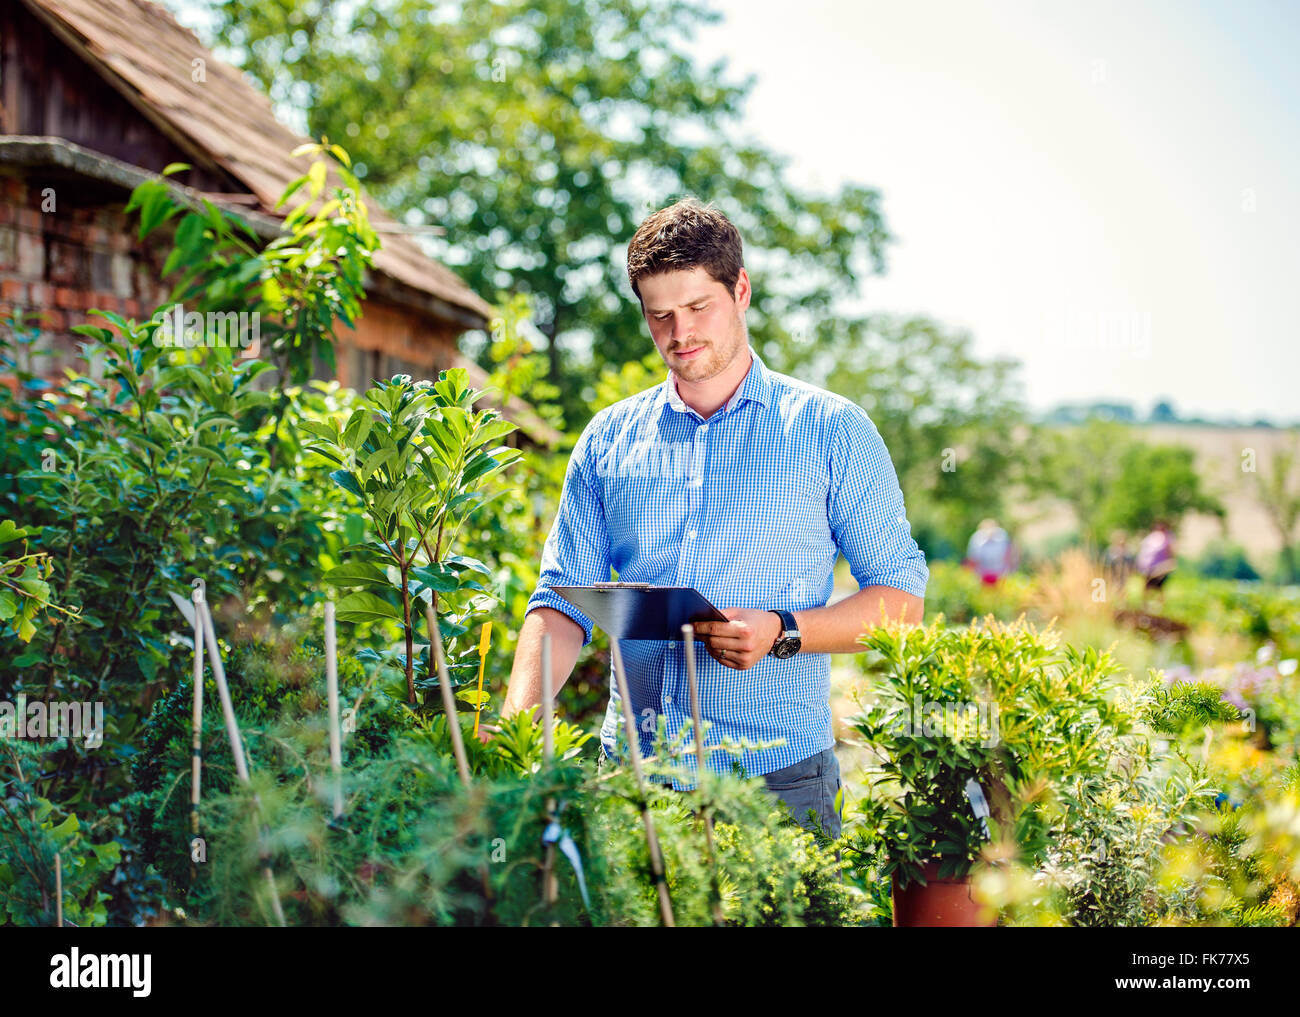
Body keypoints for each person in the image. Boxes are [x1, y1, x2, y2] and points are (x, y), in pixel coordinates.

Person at [497, 197, 928, 840]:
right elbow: (560, 605)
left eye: (698, 308)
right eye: (660, 315)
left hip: (778, 787)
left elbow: (901, 605)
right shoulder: (607, 439)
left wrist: (783, 630)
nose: (680, 334)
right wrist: (512, 740)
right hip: (635, 783)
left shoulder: (833, 430)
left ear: (741, 290)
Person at [964, 518, 1016, 586]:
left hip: (999, 572)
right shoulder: (976, 539)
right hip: (982, 573)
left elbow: (1008, 555)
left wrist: (1008, 571)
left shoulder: (1002, 537)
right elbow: (973, 559)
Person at [1135, 520, 1176, 602]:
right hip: (1150, 568)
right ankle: (1147, 605)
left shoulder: (1166, 538)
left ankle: (1155, 605)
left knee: (1157, 587)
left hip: (1157, 568)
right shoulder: (1154, 538)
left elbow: (1171, 553)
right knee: (1150, 587)